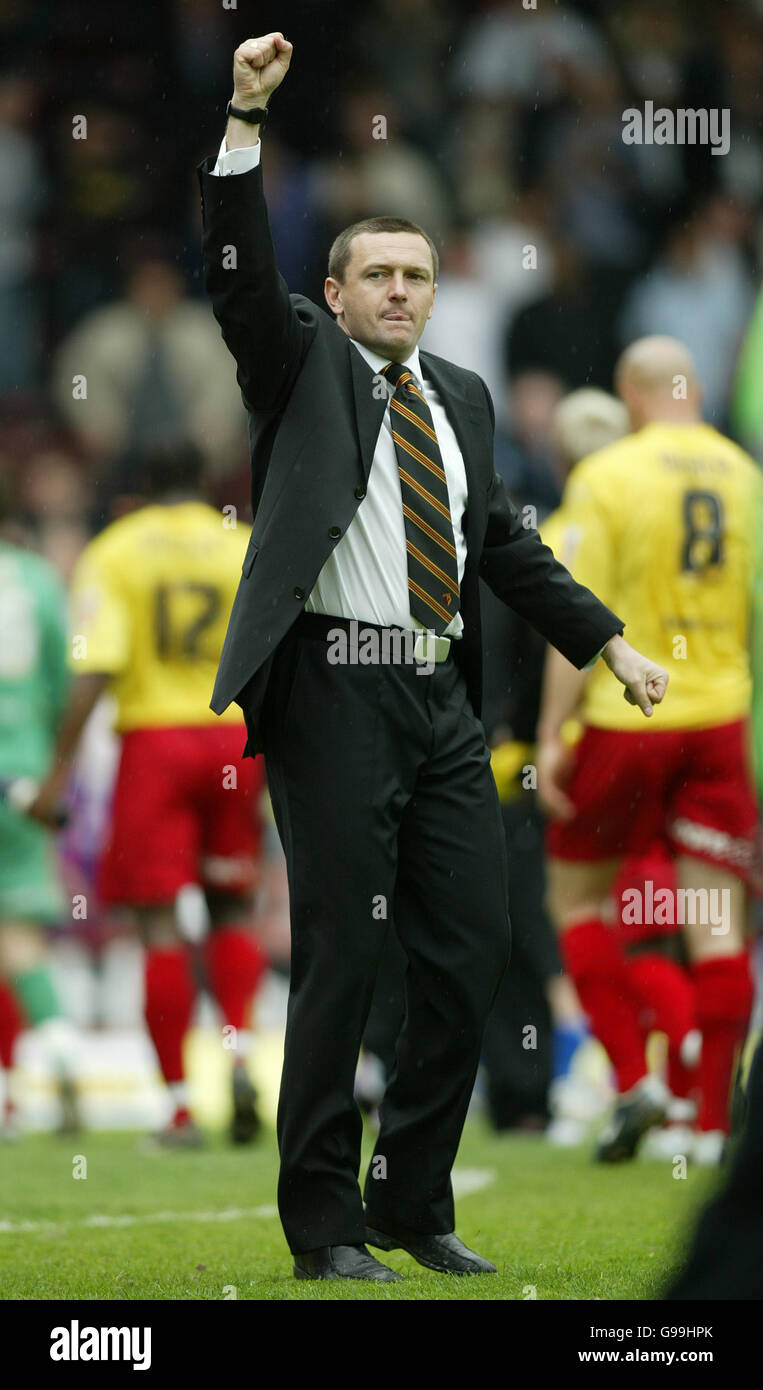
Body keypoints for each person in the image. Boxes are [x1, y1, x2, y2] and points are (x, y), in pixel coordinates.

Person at [198, 33, 666, 1283]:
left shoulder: (457, 394)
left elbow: (501, 543)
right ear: (338, 293)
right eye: (378, 275)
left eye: (416, 274)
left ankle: (410, 1198)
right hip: (332, 692)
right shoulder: (298, 364)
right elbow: (239, 277)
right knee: (346, 959)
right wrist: (246, 119)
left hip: (439, 695)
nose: (400, 290)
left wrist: (607, 642)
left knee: (471, 946)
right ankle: (324, 1226)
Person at [537, 336, 762, 1165]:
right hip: (720, 718)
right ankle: (708, 1127)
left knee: (579, 902)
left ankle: (634, 1080)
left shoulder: (608, 477)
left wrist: (557, 736)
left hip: (629, 717)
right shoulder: (745, 475)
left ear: (630, 397)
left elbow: (577, 614)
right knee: (714, 925)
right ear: (693, 388)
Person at [27, 442, 268, 1147]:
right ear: (201, 483)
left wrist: (58, 772)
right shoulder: (240, 543)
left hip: (156, 746)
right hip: (233, 737)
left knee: (159, 927)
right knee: (232, 909)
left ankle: (178, 1106)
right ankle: (242, 1056)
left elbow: (93, 667)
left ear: (137, 489)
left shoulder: (117, 550)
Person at [0, 475, 81, 1134]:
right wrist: (51, 773)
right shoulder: (35, 579)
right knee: (18, 933)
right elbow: (63, 679)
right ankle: (58, 1050)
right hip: (22, 776)